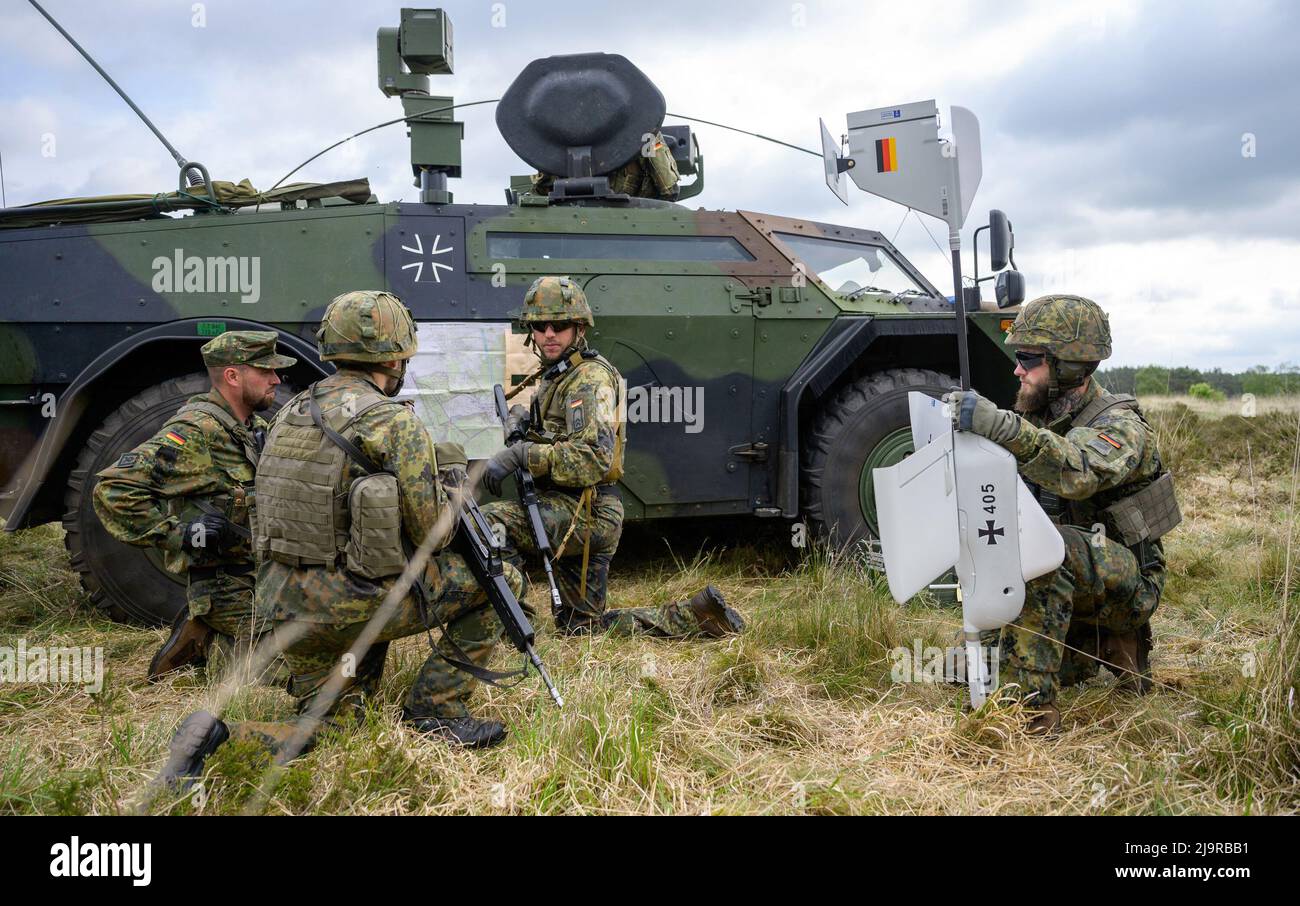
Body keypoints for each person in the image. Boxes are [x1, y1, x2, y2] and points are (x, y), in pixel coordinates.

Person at [157, 291, 526, 789]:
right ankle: (436, 710)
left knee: (334, 727)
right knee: (503, 581)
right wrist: (452, 483)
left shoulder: (290, 412)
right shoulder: (392, 420)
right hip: (348, 605)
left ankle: (218, 737)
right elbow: (431, 535)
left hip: (282, 604)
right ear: (395, 356)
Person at [943, 294, 1180, 733]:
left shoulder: (1120, 426)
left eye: (1029, 360)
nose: (1018, 370)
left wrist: (1002, 427)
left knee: (1046, 550)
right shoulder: (1044, 418)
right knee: (963, 670)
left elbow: (1080, 472)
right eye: (1019, 358)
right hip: (1070, 575)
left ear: (1071, 365)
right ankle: (1099, 646)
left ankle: (1031, 715)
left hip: (1128, 584)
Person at [480, 275, 744, 638]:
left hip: (587, 512)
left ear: (579, 328)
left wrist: (521, 455)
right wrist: (525, 423)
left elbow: (592, 459)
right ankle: (698, 617)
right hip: (578, 507)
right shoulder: (559, 376)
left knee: (490, 524)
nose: (549, 334)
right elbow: (563, 434)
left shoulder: (588, 380)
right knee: (582, 627)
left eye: (560, 325)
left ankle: (518, 625)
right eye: (540, 326)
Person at [93, 330, 296, 681]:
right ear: (233, 376)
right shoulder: (195, 432)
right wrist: (181, 534)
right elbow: (113, 489)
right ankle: (210, 641)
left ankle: (206, 632)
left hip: (262, 579)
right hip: (225, 586)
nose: (276, 378)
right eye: (265, 371)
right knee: (299, 677)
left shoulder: (252, 429)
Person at [531, 130, 679, 200]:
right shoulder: (645, 132)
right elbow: (669, 188)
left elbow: (540, 191)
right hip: (626, 218)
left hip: (569, 214)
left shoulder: (558, 127)